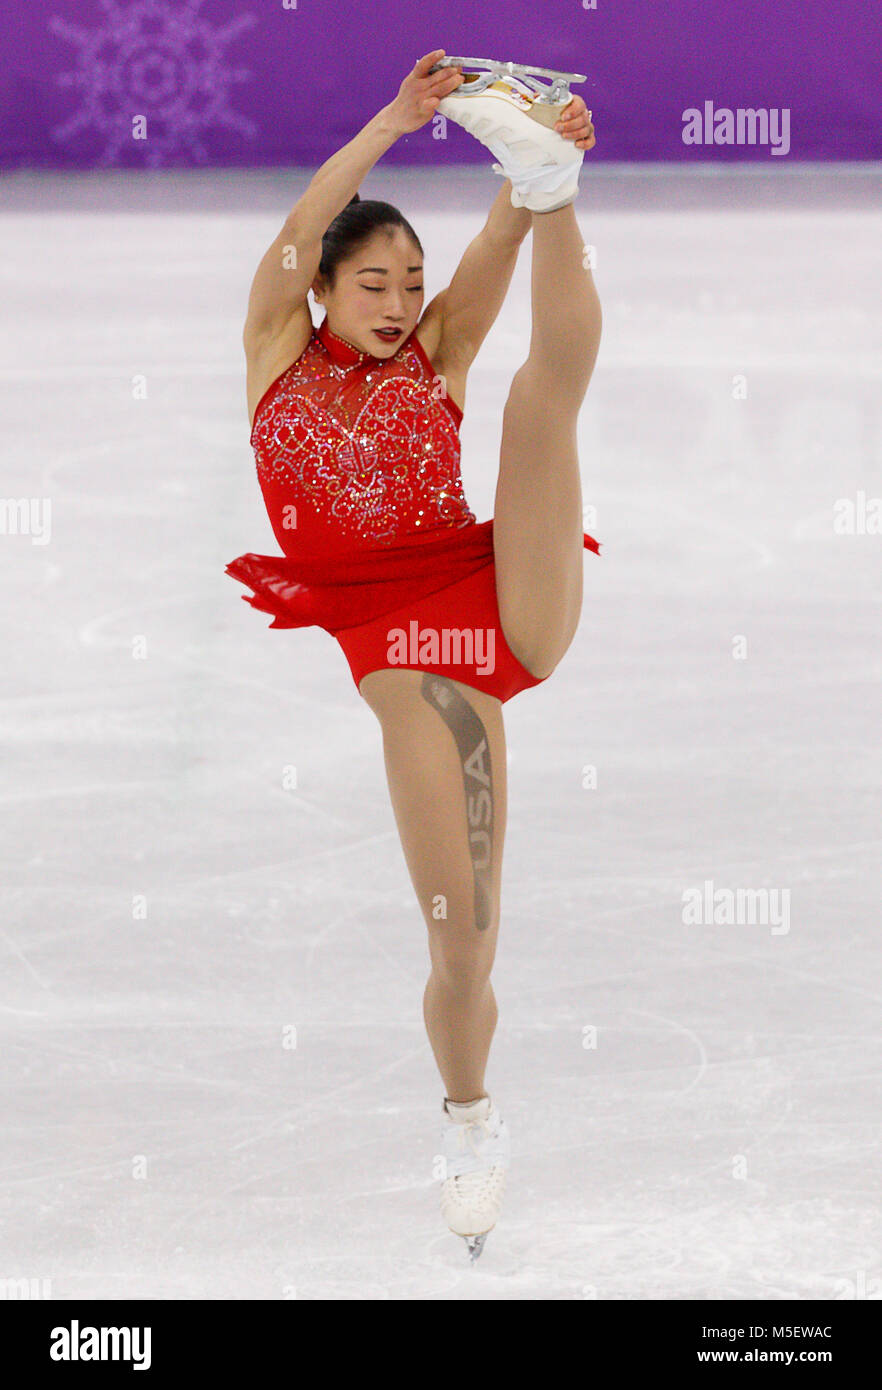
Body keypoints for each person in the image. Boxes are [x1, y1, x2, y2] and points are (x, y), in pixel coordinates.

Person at [226, 49, 602, 1260]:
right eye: (374, 280)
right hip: (403, 646)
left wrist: (536, 179)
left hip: (498, 591)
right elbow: (295, 230)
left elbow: (491, 260)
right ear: (325, 290)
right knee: (463, 936)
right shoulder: (275, 356)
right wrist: (391, 122)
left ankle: (564, 187)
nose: (398, 302)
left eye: (410, 282)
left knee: (539, 402)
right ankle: (470, 1114)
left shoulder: (435, 358)